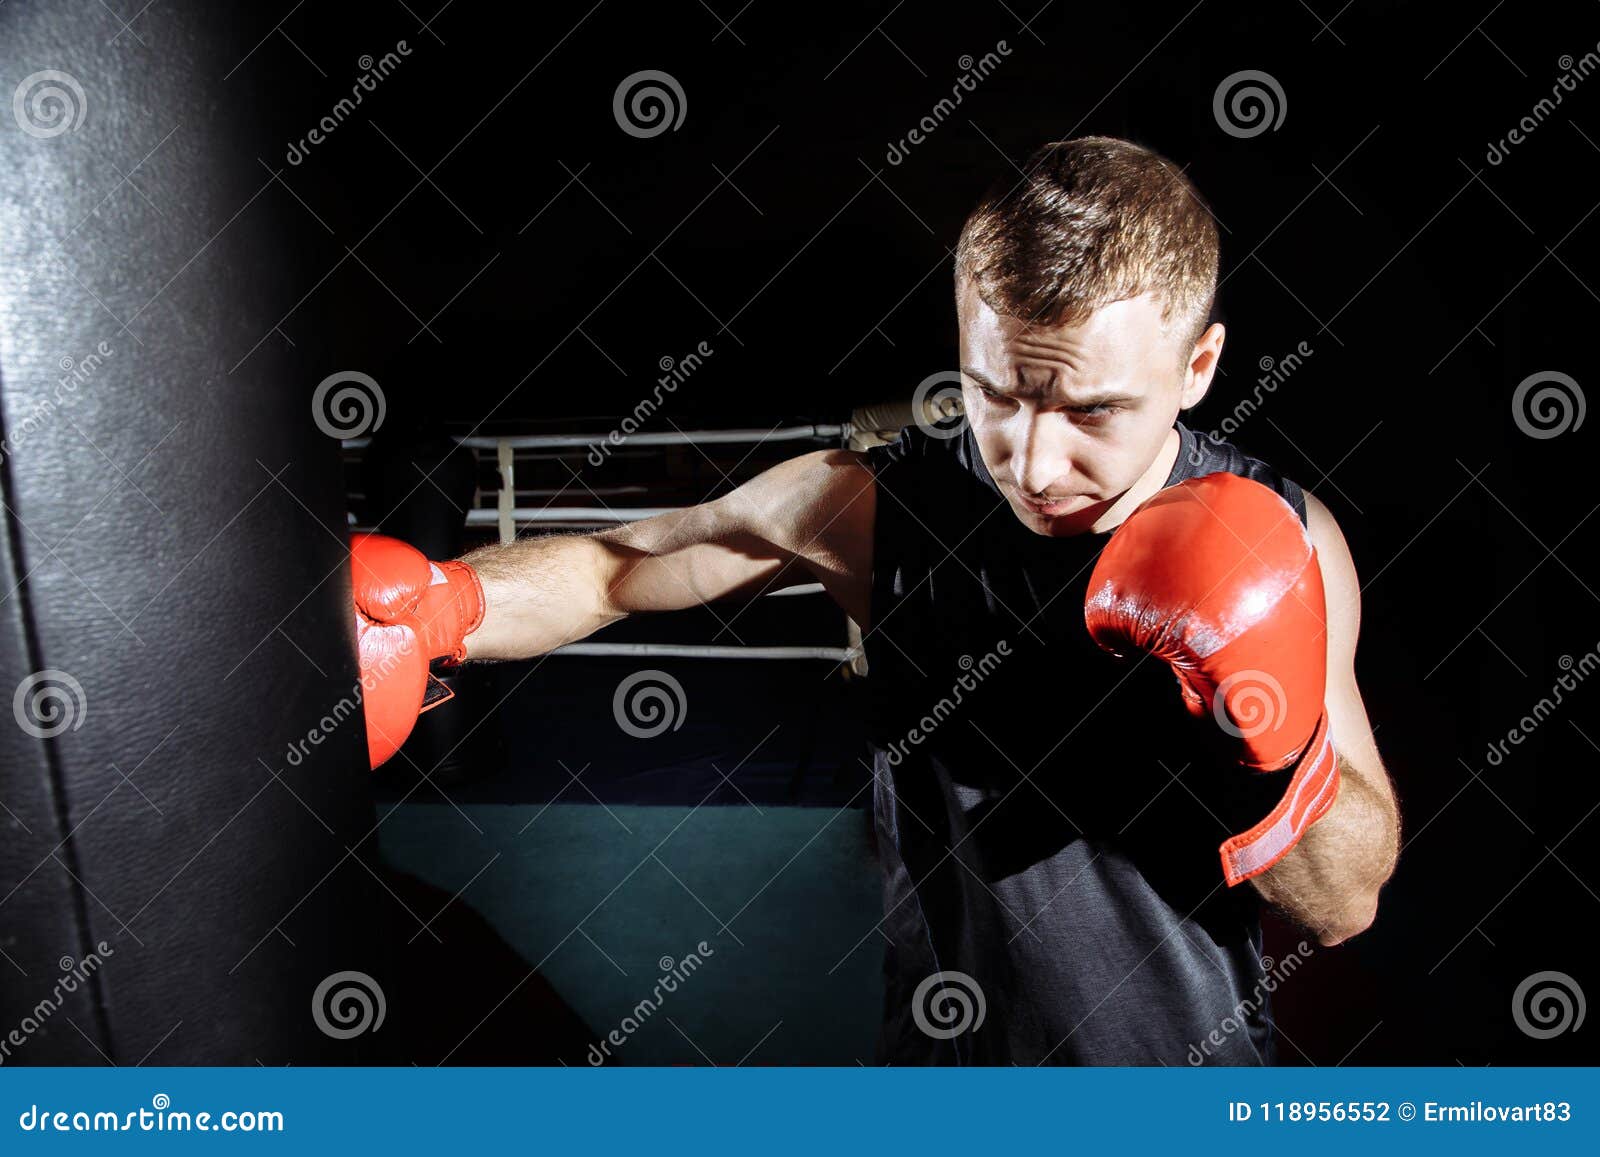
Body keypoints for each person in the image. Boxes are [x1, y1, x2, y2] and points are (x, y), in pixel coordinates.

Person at [350, 136, 1401, 1065]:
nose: (1034, 461)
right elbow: (619, 564)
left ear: (1198, 366)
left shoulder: (1285, 539)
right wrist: (440, 608)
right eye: (999, 393)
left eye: (1092, 410)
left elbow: (1342, 901)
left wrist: (1269, 729)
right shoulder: (878, 509)